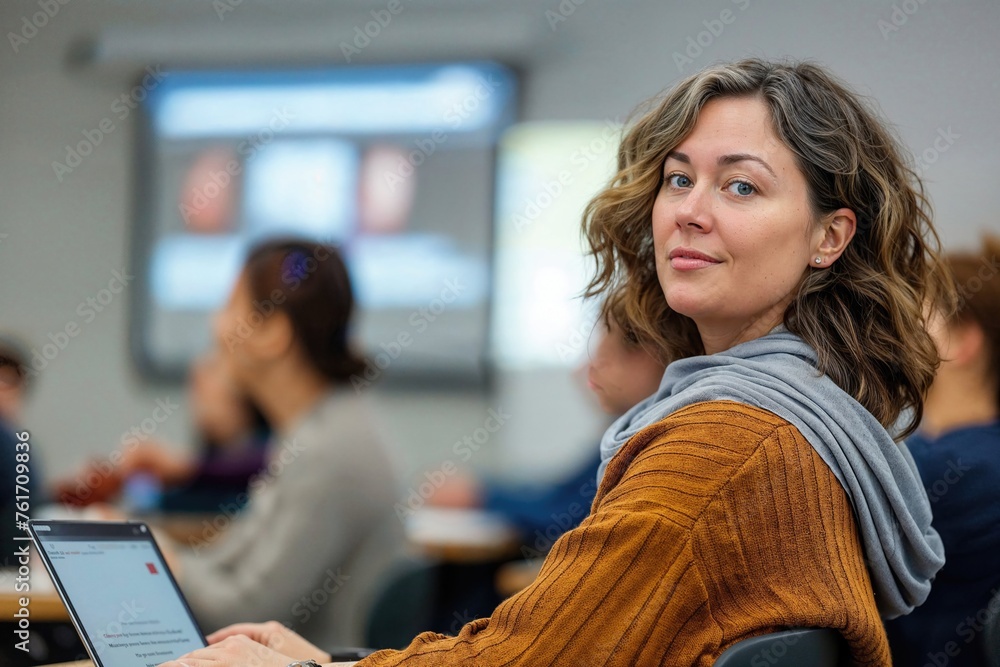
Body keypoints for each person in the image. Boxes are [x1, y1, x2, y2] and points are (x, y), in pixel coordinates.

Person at [161, 58, 953, 667]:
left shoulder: (724, 450)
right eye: (679, 178)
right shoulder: (811, 422)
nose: (689, 210)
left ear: (829, 236)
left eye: (741, 186)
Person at [169, 238, 403, 649]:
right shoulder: (322, 428)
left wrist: (164, 563)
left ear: (273, 332)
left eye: (230, 306)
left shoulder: (327, 451)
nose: (216, 324)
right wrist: (156, 553)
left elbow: (243, 612)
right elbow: (229, 561)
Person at [430, 307, 667, 543]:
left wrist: (481, 496)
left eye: (616, 345)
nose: (586, 369)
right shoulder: (624, 430)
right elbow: (559, 493)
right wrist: (483, 490)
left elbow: (564, 517)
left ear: (654, 352)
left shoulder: (643, 440)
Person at [884, 236, 1000, 667]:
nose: (893, 334)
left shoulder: (948, 469)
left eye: (914, 316)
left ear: (963, 340)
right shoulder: (969, 455)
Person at [52, 350, 271, 513]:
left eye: (205, 383)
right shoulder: (214, 451)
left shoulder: (264, 449)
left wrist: (181, 467)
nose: (196, 396)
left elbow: (262, 466)